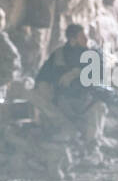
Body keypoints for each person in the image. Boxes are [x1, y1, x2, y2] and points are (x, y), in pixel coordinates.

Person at [34, 23, 109, 151]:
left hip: (85, 102)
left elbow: (99, 78)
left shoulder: (94, 55)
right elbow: (42, 77)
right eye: (82, 36)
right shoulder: (58, 55)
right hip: (62, 102)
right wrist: (49, 88)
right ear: (72, 40)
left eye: (86, 36)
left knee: (100, 107)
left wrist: (77, 73)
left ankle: (92, 148)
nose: (86, 39)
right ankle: (63, 132)